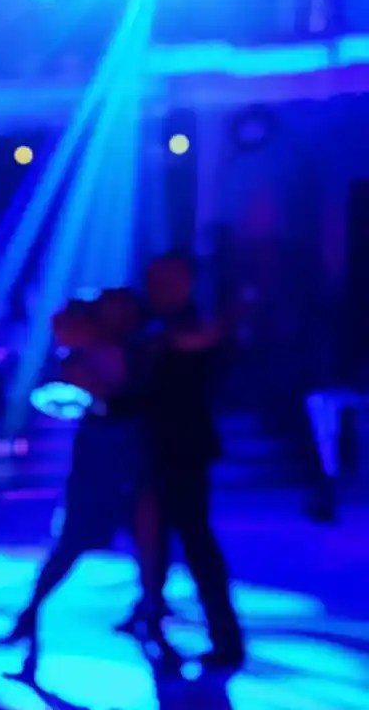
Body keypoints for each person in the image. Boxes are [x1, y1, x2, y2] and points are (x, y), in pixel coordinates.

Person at [3, 294, 157, 648]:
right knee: (77, 542)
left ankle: (151, 611)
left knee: (144, 539)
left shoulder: (117, 353)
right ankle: (31, 614)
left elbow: (114, 398)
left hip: (124, 461)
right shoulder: (80, 359)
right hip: (100, 463)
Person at [143, 253, 245, 671]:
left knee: (196, 544)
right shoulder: (165, 327)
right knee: (158, 542)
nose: (157, 287)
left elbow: (202, 349)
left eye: (166, 280)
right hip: (162, 450)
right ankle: (154, 620)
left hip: (183, 452)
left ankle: (225, 638)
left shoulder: (190, 328)